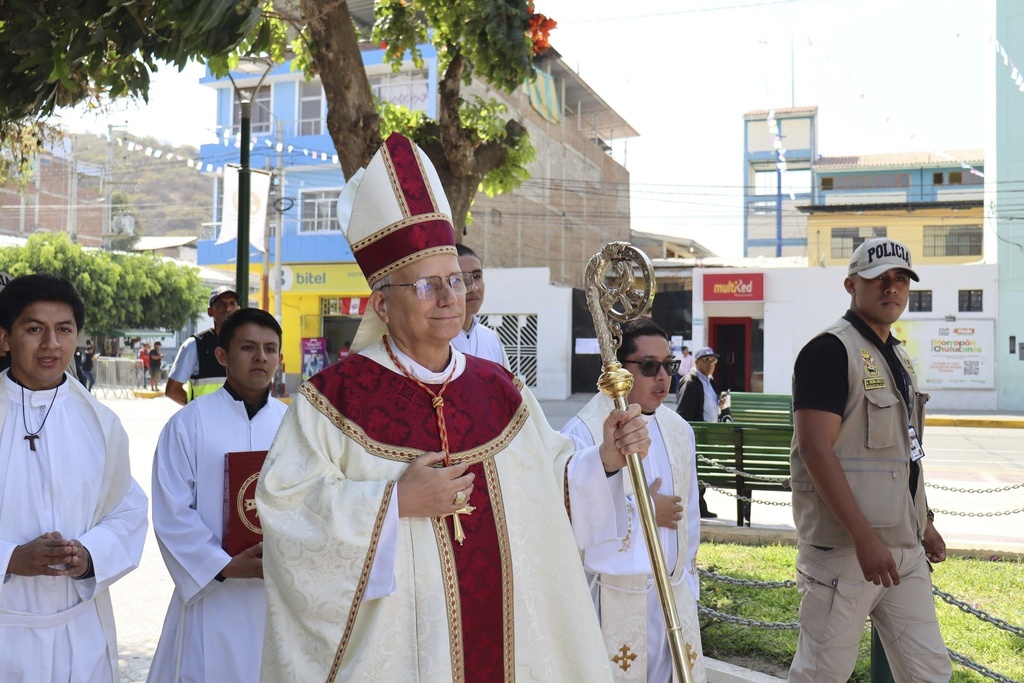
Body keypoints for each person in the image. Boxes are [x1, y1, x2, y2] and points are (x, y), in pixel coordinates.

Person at [256, 133, 650, 682]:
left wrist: (605, 457)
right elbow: (287, 511)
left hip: (508, 647)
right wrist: (394, 502)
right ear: (382, 304)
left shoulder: (500, 389)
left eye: (455, 281)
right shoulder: (334, 400)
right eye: (425, 286)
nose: (448, 298)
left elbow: (550, 487)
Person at [788, 237, 950, 682]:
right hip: (846, 552)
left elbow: (905, 452)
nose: (891, 287)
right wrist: (863, 537)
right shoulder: (829, 351)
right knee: (822, 674)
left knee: (929, 672)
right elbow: (815, 449)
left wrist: (924, 520)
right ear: (851, 285)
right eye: (878, 278)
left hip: (903, 549)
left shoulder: (896, 355)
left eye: (901, 279)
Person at [0, 273, 148, 682]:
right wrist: (9, 558)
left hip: (78, 634)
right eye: (34, 329)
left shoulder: (102, 425)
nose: (51, 344)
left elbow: (127, 511)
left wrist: (89, 555)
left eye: (64, 330)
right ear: (5, 338)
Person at [562, 318, 705, 683]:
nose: (664, 377)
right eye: (649, 366)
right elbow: (569, 516)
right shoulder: (583, 432)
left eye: (669, 365)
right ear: (619, 369)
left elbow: (689, 516)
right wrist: (646, 510)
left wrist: (687, 585)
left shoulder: (679, 430)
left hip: (670, 593)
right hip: (612, 598)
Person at [148, 308, 287, 683]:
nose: (261, 357)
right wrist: (220, 565)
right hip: (213, 591)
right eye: (248, 347)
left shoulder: (293, 426)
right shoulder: (188, 424)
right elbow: (172, 510)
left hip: (276, 590)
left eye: (270, 349)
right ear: (223, 355)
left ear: (280, 357)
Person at [166, 286, 240, 405]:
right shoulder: (194, 345)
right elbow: (172, 391)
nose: (227, 308)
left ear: (238, 310)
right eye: (221, 304)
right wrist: (199, 410)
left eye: (232, 303)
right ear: (209, 312)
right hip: (206, 417)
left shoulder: (248, 344)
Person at [676, 346, 727, 518]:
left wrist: (718, 405)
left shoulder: (708, 380)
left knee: (702, 472)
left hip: (707, 435)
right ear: (696, 362)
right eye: (706, 360)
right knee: (696, 472)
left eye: (713, 360)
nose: (710, 363)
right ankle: (697, 506)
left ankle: (700, 505)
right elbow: (684, 412)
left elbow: (706, 404)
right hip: (697, 435)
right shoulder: (691, 381)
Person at [451, 243, 510, 368]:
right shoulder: (433, 341)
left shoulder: (491, 339)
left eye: (477, 276)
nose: (474, 288)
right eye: (461, 278)